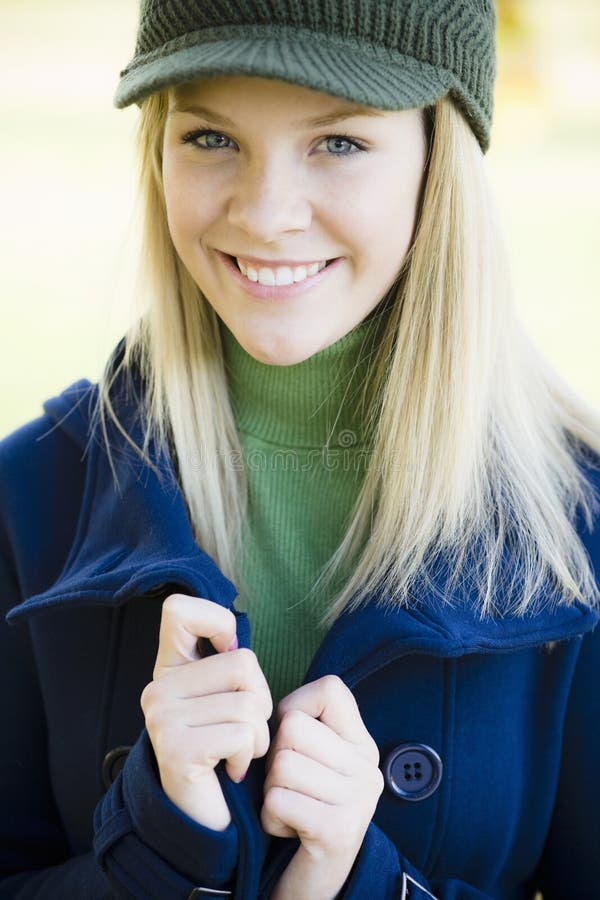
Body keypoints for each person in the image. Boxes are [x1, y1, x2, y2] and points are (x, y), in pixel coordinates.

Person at [1, 1, 599, 898]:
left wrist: (366, 882)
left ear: (439, 160)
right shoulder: (30, 496)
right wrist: (160, 852)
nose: (268, 214)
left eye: (338, 143)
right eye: (210, 138)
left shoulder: (575, 523)